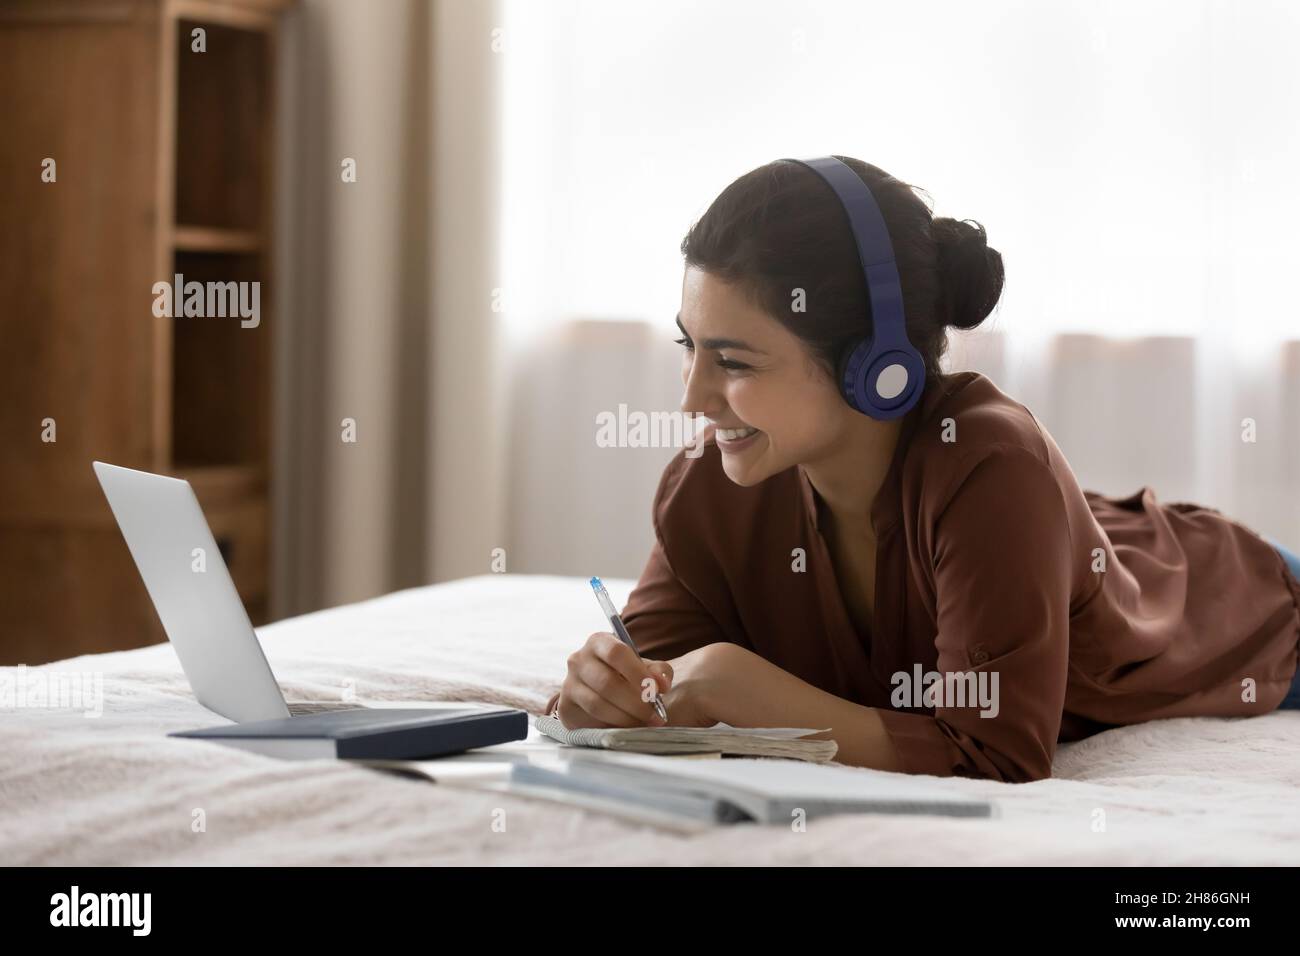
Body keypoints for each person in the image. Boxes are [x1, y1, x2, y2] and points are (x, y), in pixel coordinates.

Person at [544, 156, 1300, 782]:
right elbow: (655, 682)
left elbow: (996, 752)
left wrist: (756, 696)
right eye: (690, 347)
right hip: (1077, 541)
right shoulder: (708, 486)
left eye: (734, 361)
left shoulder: (994, 470)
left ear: (875, 369)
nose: (693, 400)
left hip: (1254, 612)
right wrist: (604, 693)